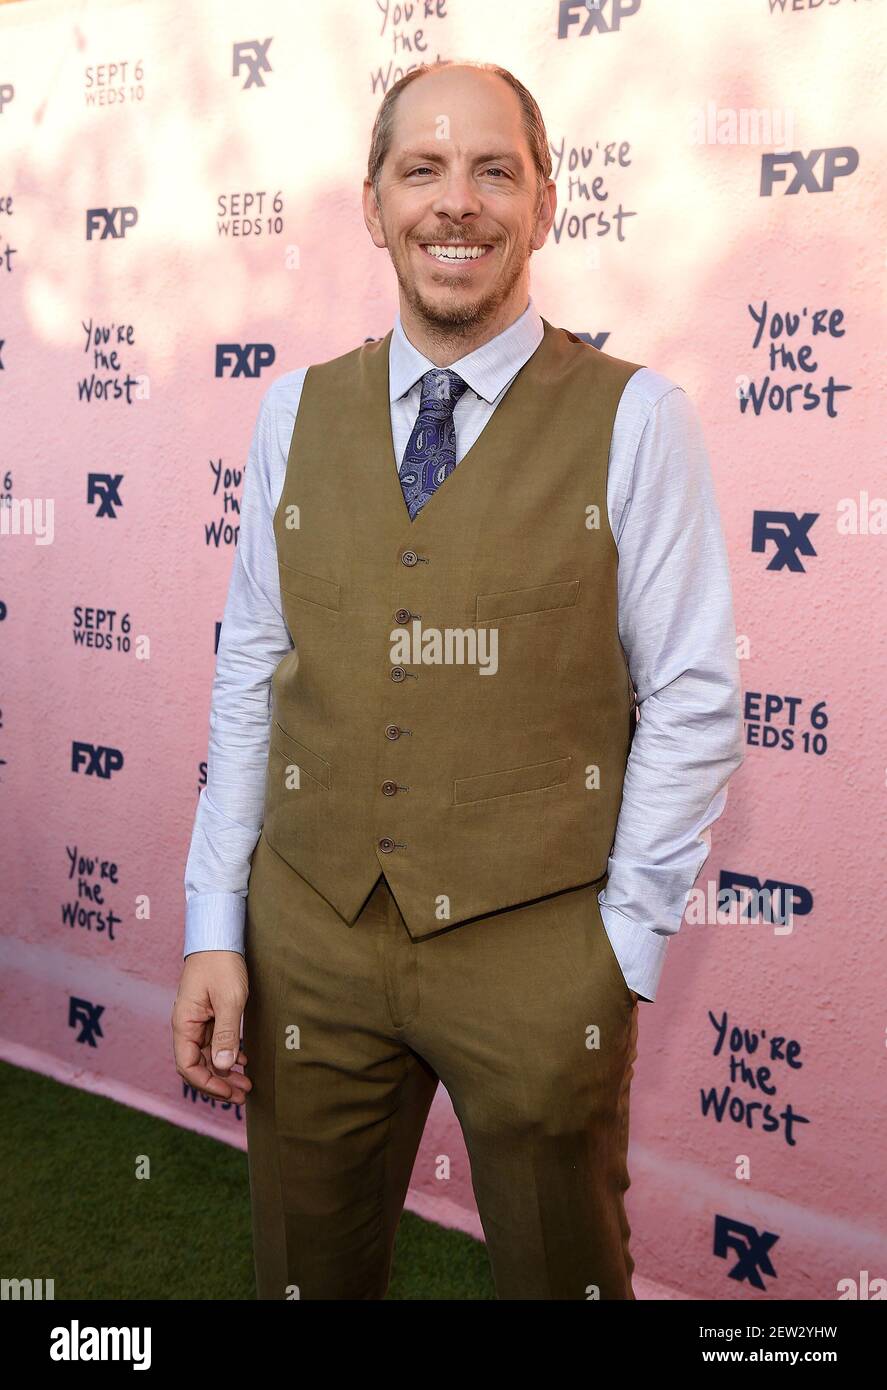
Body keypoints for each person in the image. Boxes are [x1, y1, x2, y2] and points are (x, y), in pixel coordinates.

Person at [172, 59, 744, 1300]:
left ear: (544, 205)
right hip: (307, 930)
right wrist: (215, 924)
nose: (457, 202)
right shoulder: (290, 413)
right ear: (370, 202)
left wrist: (619, 952)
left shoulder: (638, 420)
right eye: (420, 169)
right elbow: (254, 669)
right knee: (303, 1272)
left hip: (541, 951)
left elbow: (696, 698)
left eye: (496, 170)